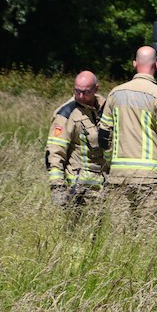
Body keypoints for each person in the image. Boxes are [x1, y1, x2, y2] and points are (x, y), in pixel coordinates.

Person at [99, 46, 157, 216]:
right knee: (148, 230)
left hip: (118, 177)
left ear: (134, 64)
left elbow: (103, 136)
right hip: (149, 178)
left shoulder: (115, 94)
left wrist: (110, 163)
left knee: (118, 230)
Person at [45, 71, 107, 209]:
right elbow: (54, 153)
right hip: (79, 190)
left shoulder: (105, 109)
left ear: (96, 89)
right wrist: (57, 187)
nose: (81, 96)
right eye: (77, 91)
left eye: (85, 92)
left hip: (104, 186)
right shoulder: (66, 114)